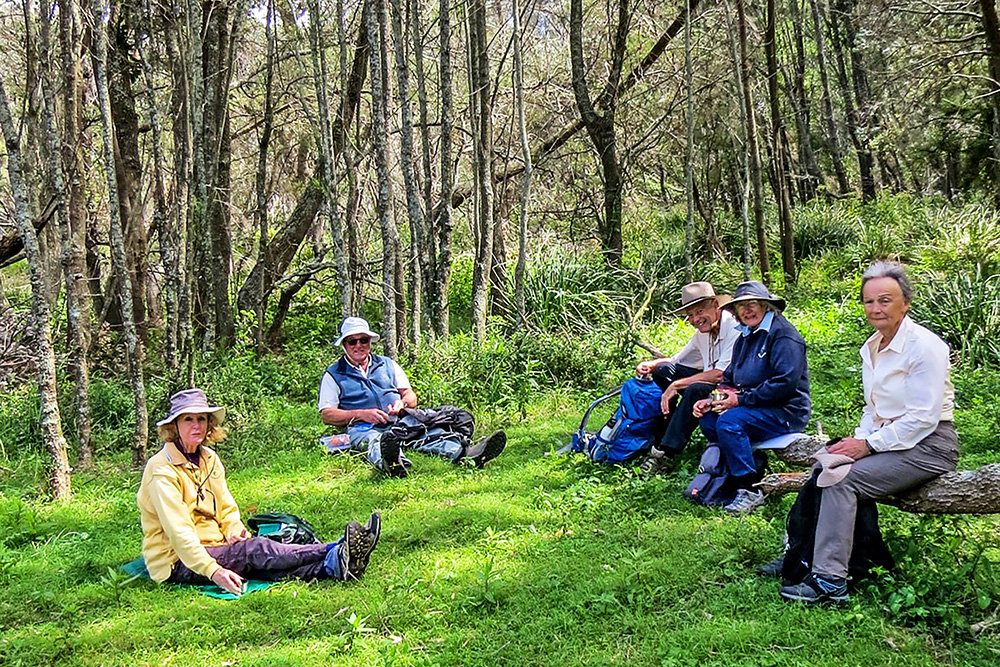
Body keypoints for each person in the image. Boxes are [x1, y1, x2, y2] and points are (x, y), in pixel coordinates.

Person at [778, 261, 958, 605]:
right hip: (890, 440)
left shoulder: (924, 346)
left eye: (885, 300)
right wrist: (857, 442)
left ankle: (831, 580)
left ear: (905, 303)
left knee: (842, 481)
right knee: (823, 467)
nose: (876, 308)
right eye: (869, 301)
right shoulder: (873, 346)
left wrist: (868, 446)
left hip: (930, 445)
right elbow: (872, 409)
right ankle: (800, 556)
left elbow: (923, 418)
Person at [137, 388, 381, 597]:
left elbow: (226, 508)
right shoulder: (162, 471)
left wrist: (234, 532)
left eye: (201, 419)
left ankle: (335, 566)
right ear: (174, 426)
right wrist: (214, 571)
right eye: (188, 419)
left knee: (265, 562)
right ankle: (335, 548)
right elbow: (179, 533)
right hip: (178, 561)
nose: (196, 425)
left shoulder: (209, 458)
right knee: (255, 551)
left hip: (217, 545)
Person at [319, 316, 506, 477]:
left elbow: (410, 396)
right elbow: (327, 414)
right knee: (374, 441)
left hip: (399, 421)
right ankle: (393, 463)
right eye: (352, 341)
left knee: (429, 433)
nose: (359, 345)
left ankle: (465, 454)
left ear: (370, 341)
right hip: (364, 428)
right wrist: (361, 414)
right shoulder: (334, 374)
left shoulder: (387, 364)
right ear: (344, 345)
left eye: (363, 340)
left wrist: (402, 403)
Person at [692, 281, 811, 515]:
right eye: (741, 306)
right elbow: (730, 376)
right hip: (755, 406)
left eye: (753, 304)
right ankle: (735, 471)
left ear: (766, 306)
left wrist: (740, 400)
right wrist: (714, 399)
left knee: (729, 422)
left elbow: (785, 384)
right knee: (708, 418)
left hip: (786, 411)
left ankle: (749, 488)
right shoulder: (746, 335)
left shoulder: (783, 335)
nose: (747, 310)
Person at [638, 282, 740, 477]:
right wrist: (652, 365)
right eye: (690, 315)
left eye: (700, 311)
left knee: (695, 389)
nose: (695, 319)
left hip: (731, 391)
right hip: (710, 386)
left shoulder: (734, 328)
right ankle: (662, 430)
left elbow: (720, 374)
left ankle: (666, 453)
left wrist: (676, 385)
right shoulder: (702, 333)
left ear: (715, 305)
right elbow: (678, 360)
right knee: (663, 371)